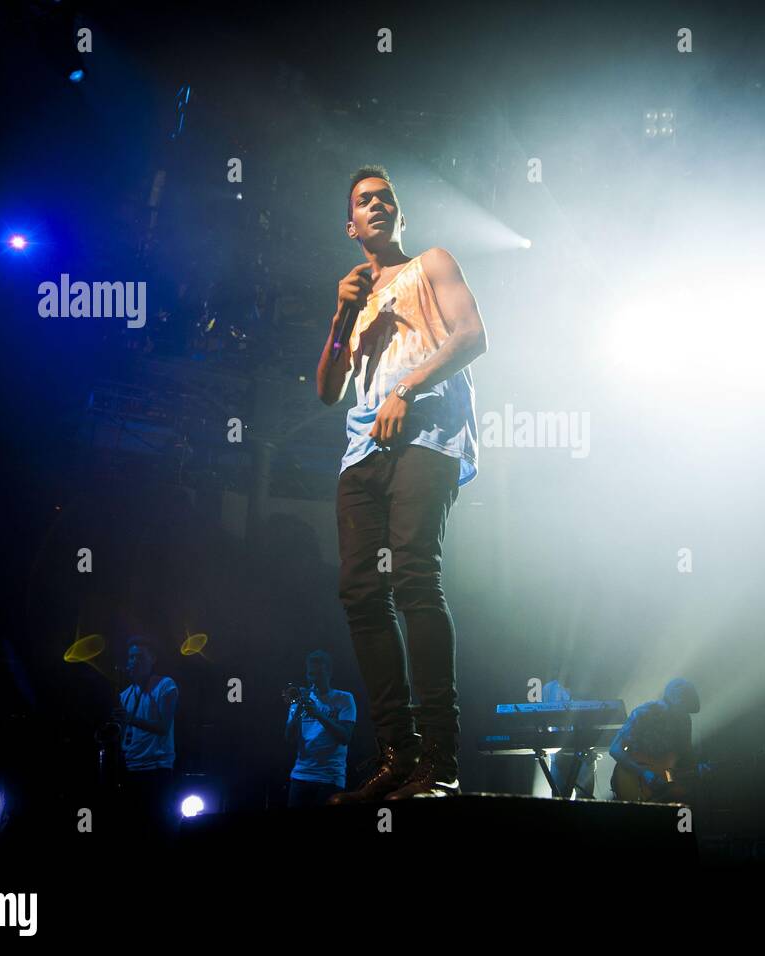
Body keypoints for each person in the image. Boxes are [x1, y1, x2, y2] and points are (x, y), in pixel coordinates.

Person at [315, 165, 487, 801]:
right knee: (360, 592)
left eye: (385, 198)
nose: (376, 205)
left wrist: (407, 388)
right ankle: (397, 753)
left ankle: (440, 756)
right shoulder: (356, 299)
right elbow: (328, 390)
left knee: (414, 575)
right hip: (362, 451)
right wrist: (341, 315)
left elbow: (473, 335)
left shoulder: (432, 264)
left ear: (399, 216)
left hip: (425, 434)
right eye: (363, 201)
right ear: (350, 224)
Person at [112, 637, 179, 841]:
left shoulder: (166, 685)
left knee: (157, 829)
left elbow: (163, 727)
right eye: (131, 657)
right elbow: (125, 735)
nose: (134, 662)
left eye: (139, 657)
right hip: (131, 769)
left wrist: (130, 719)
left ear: (153, 659)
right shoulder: (124, 695)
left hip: (157, 770)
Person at [610, 678, 706, 800]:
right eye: (683, 700)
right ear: (674, 697)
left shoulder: (685, 720)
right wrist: (645, 773)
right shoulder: (646, 712)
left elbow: (685, 756)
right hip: (632, 780)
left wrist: (697, 769)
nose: (684, 710)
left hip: (665, 779)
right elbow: (615, 749)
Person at [285, 650, 357, 806]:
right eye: (311, 674)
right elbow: (288, 738)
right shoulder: (299, 701)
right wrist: (298, 708)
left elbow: (345, 737)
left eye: (319, 674)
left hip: (330, 779)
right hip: (300, 776)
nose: (314, 679)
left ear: (329, 673)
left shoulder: (344, 698)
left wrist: (318, 714)